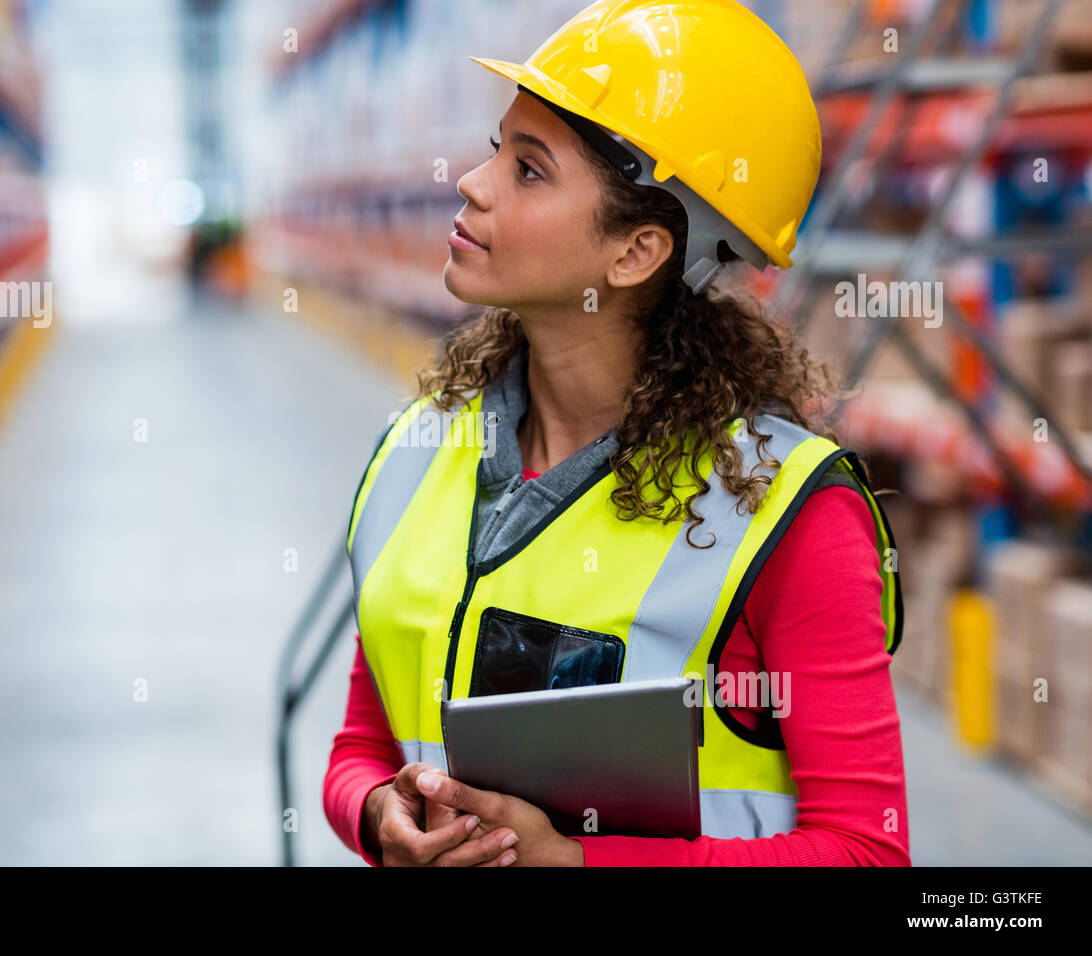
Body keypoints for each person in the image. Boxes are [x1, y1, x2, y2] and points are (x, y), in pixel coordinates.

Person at [323, 0, 909, 866]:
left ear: (635, 253)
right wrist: (379, 817)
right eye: (497, 152)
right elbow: (363, 746)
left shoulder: (787, 513)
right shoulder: (421, 448)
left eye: (529, 171)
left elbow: (867, 853)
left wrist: (581, 862)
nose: (473, 185)